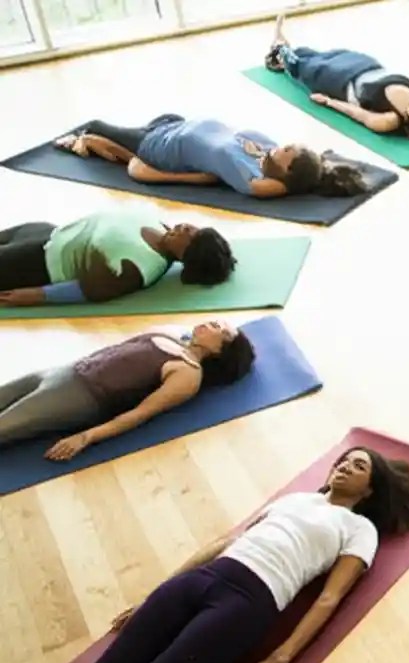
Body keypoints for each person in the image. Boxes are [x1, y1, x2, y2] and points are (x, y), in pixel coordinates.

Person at [41, 447, 409, 663]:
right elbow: (224, 543)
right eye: (345, 460)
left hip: (246, 604)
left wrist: (279, 660)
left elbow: (330, 598)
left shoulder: (360, 527)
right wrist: (152, 595)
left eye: (359, 466)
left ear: (368, 490)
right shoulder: (295, 499)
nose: (345, 466)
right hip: (200, 581)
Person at [0, 320, 255, 457]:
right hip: (64, 371)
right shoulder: (170, 334)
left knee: (6, 425)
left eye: (221, 331)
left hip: (80, 397)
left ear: (220, 352)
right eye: (217, 322)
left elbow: (140, 414)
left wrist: (85, 437)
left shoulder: (188, 374)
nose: (213, 324)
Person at [53, 113, 367, 198]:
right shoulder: (267, 150)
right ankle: (100, 146)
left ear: (284, 171)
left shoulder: (251, 178)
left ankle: (87, 142)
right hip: (174, 125)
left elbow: (272, 188)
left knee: (95, 125)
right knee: (163, 115)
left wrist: (295, 184)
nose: (279, 146)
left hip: (158, 148)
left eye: (285, 151)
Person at [264, 13, 409, 142]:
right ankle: (284, 53)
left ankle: (279, 50)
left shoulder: (390, 120)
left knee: (304, 65)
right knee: (319, 55)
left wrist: (329, 102)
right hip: (363, 64)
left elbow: (357, 114)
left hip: (338, 80)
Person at [0, 209, 235, 307]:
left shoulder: (139, 268)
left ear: (187, 255)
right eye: (194, 228)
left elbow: (91, 290)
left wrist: (36, 296)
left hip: (38, 264)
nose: (186, 226)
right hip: (47, 234)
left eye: (191, 235)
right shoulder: (161, 227)